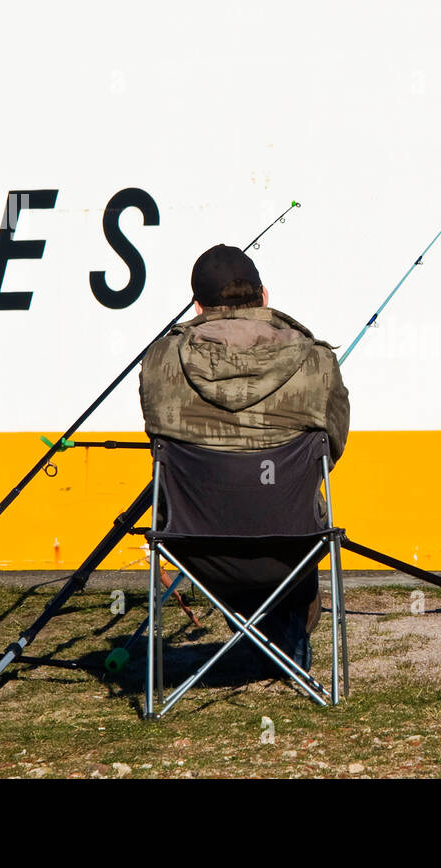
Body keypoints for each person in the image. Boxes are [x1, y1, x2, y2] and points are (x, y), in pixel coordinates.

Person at [139, 244, 349, 674]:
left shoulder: (159, 361)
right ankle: (285, 632)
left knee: (223, 506)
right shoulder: (317, 360)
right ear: (264, 297)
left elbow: (157, 441)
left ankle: (258, 628)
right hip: (294, 543)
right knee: (286, 504)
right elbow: (331, 449)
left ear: (198, 305)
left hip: (193, 546)